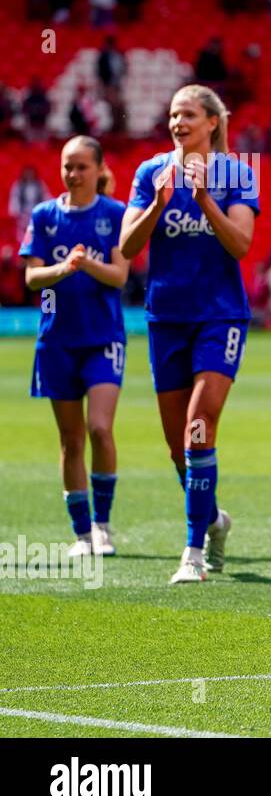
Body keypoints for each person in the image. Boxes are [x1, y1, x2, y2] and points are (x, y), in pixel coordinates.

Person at [119, 84, 259, 585]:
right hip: (166, 319)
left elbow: (241, 244)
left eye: (189, 115)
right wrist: (158, 203)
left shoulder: (237, 174)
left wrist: (202, 197)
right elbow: (127, 245)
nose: (178, 123)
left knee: (200, 423)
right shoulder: (148, 172)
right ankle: (215, 519)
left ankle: (192, 551)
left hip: (220, 317)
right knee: (178, 447)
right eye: (174, 115)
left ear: (212, 123)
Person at [20, 137, 128, 557]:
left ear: (99, 170)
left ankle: (103, 526)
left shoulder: (115, 214)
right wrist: (64, 268)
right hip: (56, 341)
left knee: (100, 428)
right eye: (67, 166)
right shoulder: (45, 216)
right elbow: (31, 277)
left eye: (82, 166)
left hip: (103, 338)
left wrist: (87, 264)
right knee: (70, 441)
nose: (73, 173)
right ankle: (82, 534)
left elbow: (120, 275)